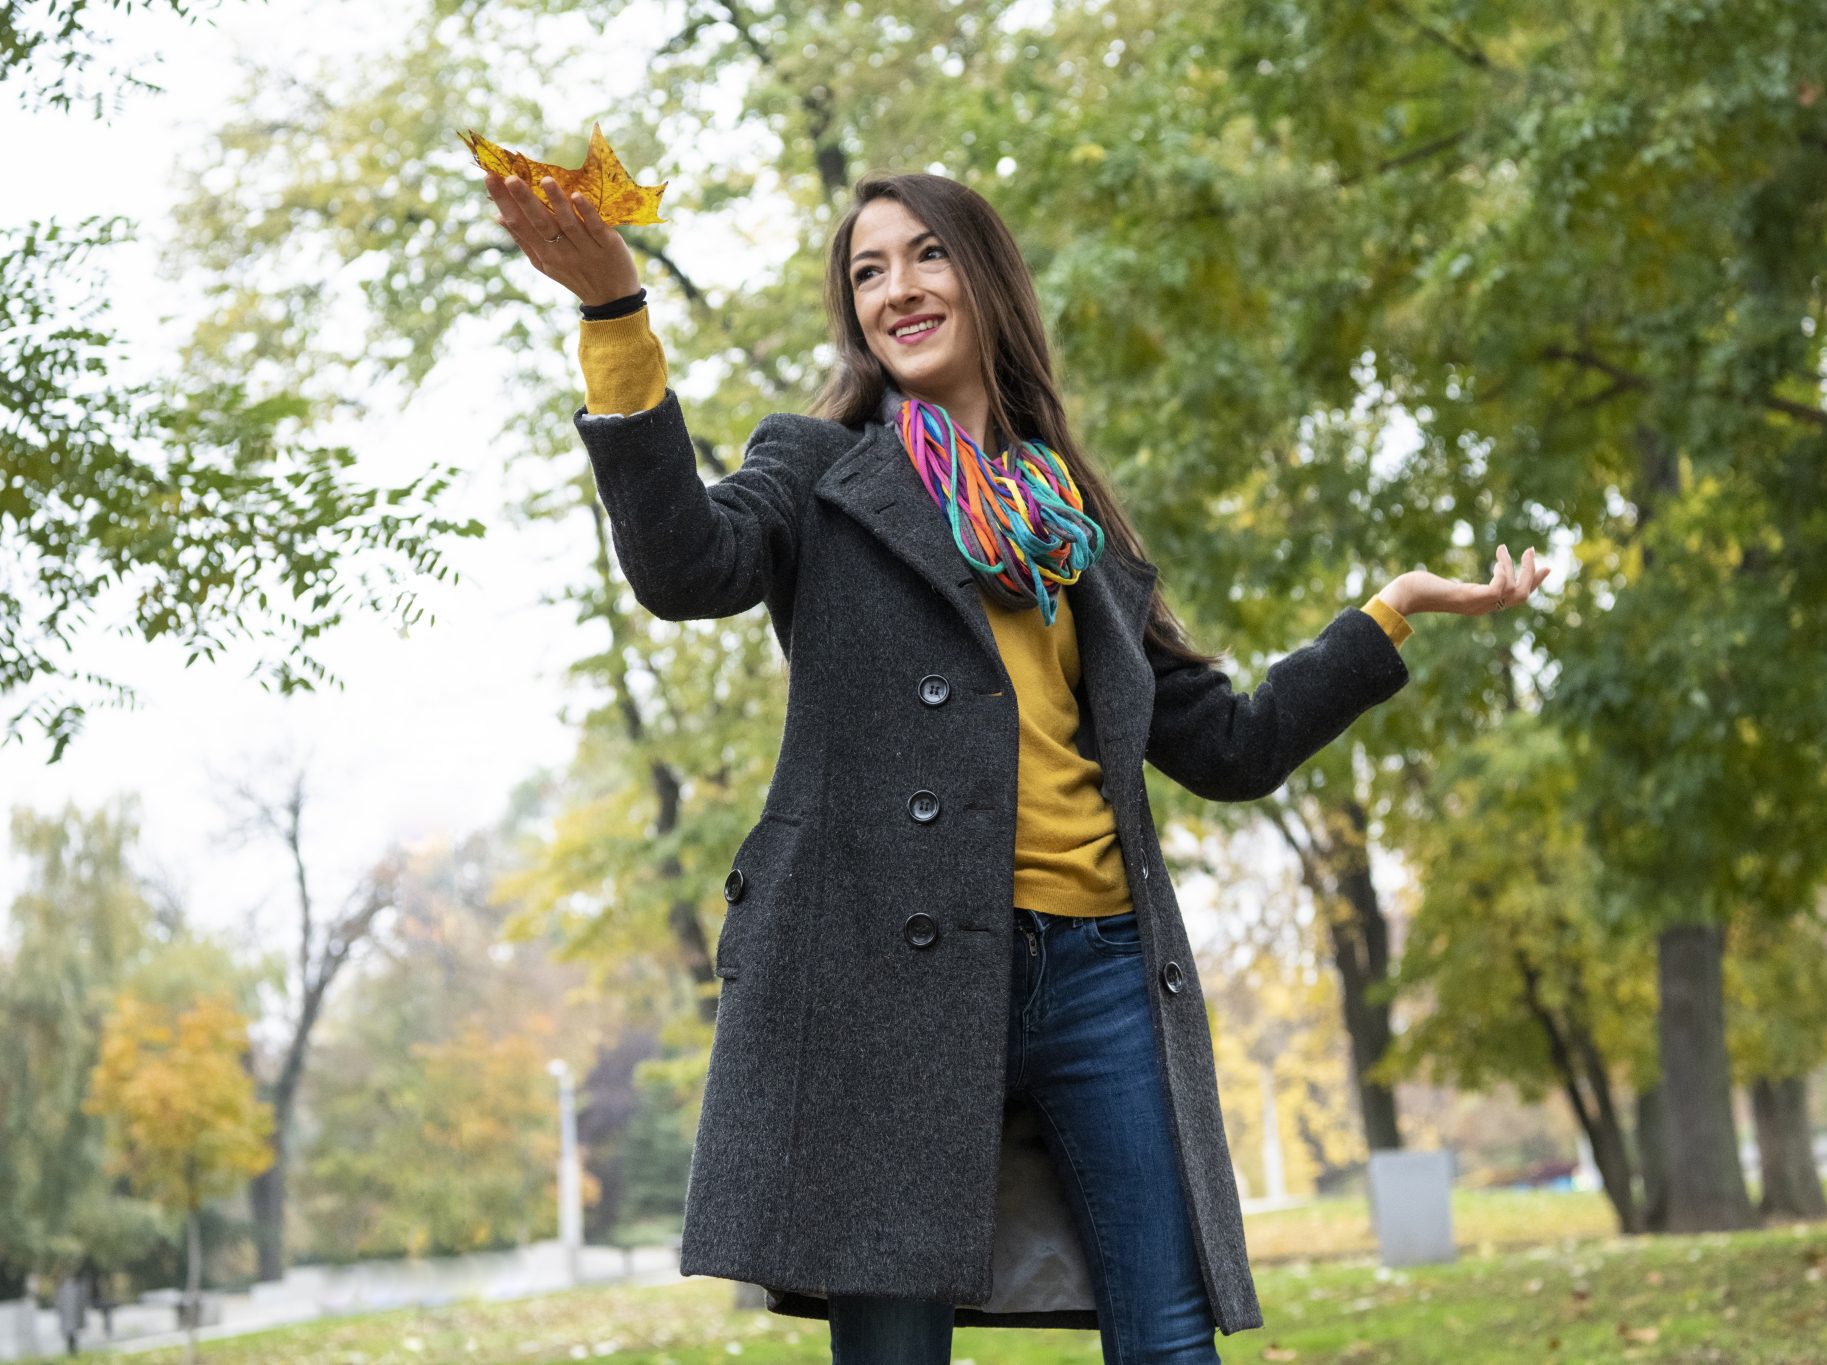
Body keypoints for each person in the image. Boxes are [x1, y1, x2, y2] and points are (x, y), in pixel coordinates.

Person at [483, 166, 1547, 1365]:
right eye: (867, 271)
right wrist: (615, 314)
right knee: (894, 1352)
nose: (896, 289)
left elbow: (1226, 746)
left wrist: (1386, 616)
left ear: (984, 278)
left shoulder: (1067, 516)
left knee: (1169, 1338)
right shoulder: (819, 468)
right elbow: (683, 566)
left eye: (924, 255)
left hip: (1096, 965)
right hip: (885, 974)